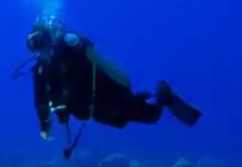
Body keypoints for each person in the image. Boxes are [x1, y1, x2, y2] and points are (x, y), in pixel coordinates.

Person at [21, 19, 201, 158]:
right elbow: (40, 101)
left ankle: (163, 96)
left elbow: (95, 56)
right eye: (33, 45)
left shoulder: (70, 49)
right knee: (121, 121)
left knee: (150, 116)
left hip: (110, 96)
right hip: (95, 110)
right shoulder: (40, 71)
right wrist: (45, 127)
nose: (39, 49)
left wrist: (124, 83)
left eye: (40, 41)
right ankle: (146, 99)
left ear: (49, 38)